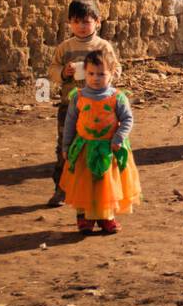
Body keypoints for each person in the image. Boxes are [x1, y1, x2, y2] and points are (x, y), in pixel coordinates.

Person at [58, 48, 141, 234]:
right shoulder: (78, 97)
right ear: (84, 73)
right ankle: (84, 218)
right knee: (84, 184)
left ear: (112, 74)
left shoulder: (117, 98)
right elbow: (70, 122)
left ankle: (106, 217)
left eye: (101, 74)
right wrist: (66, 145)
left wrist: (119, 137)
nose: (96, 78)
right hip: (83, 149)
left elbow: (127, 119)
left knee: (106, 184)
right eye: (91, 73)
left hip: (108, 149)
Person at [47, 0, 121, 207]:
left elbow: (116, 69)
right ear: (70, 23)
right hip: (70, 106)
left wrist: (105, 77)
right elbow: (52, 70)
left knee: (96, 146)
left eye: (86, 22)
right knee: (66, 146)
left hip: (99, 107)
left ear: (98, 22)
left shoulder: (103, 47)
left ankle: (97, 190)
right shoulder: (65, 48)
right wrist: (64, 72)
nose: (81, 26)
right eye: (76, 22)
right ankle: (61, 189)